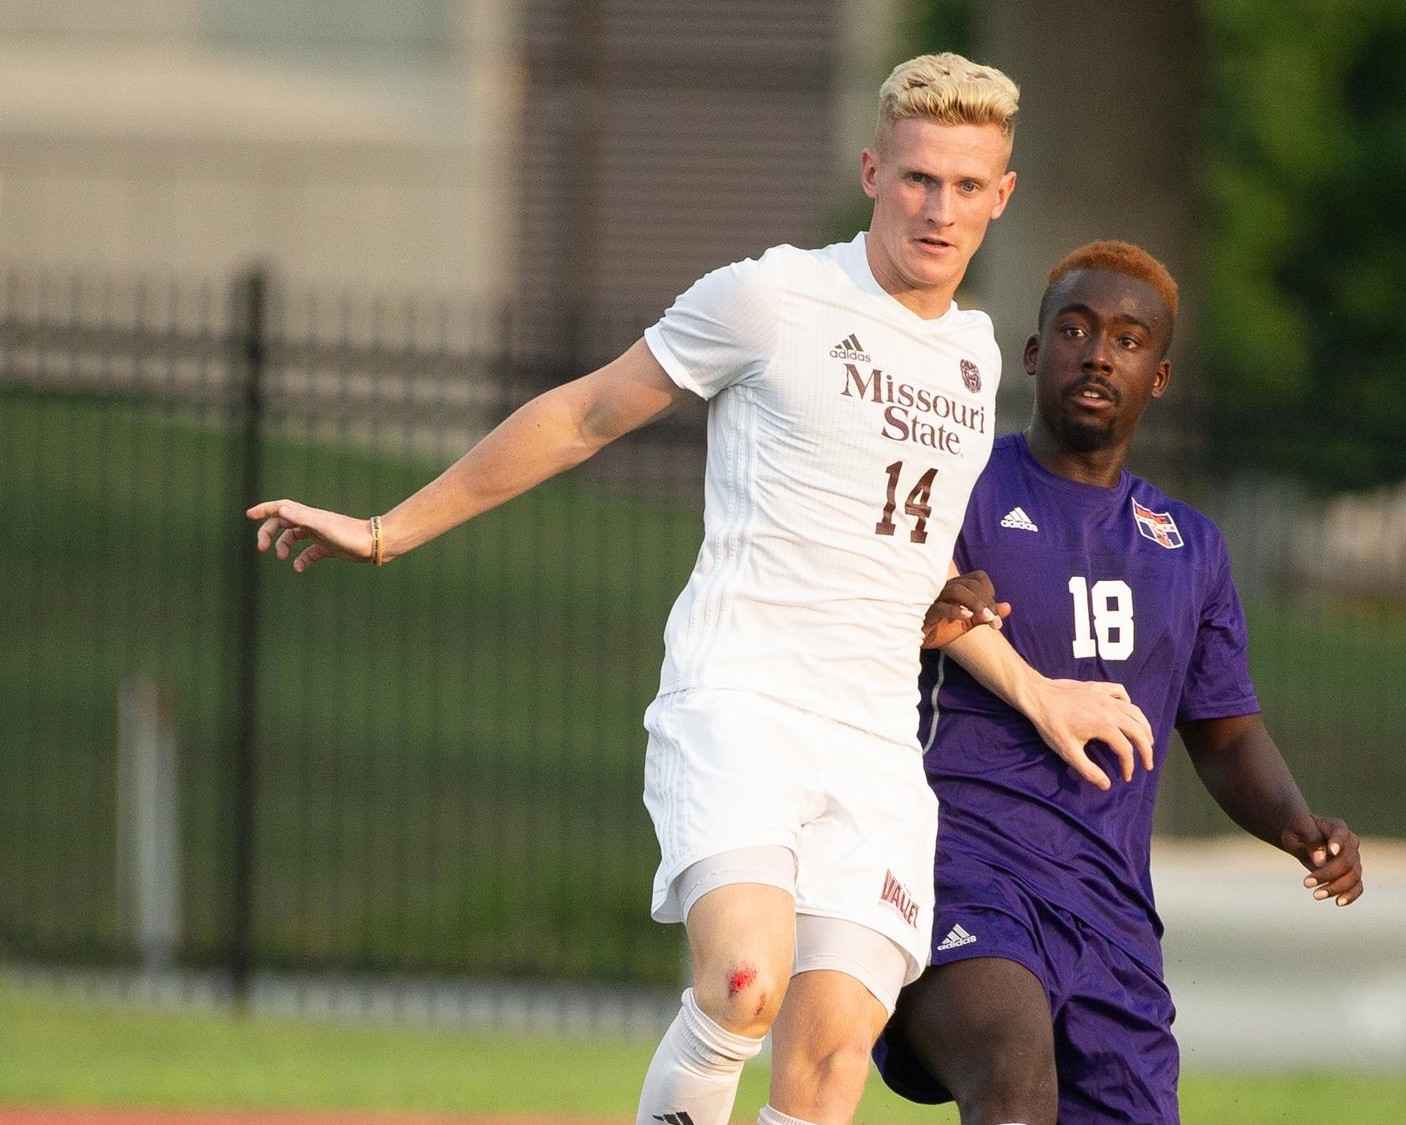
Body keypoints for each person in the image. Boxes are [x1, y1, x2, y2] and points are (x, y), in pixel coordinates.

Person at [247, 54, 1137, 1125]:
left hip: (875, 750)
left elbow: (918, 581)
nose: (935, 209)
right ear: (870, 170)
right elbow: (582, 415)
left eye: (963, 186)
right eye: (914, 179)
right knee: (743, 983)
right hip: (742, 703)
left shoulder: (970, 353)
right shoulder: (770, 296)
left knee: (832, 1062)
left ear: (1000, 197)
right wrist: (390, 529)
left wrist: (1038, 691)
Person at [874, 240, 1366, 1125]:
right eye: (1075, 328)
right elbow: (864, 607)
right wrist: (936, 603)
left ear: (1160, 375)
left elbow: (1225, 734)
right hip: (963, 870)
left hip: (1109, 913)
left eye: (1128, 339)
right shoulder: (960, 487)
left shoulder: (1192, 546)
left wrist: (1298, 822)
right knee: (1015, 1072)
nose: (1099, 352)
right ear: (1033, 354)